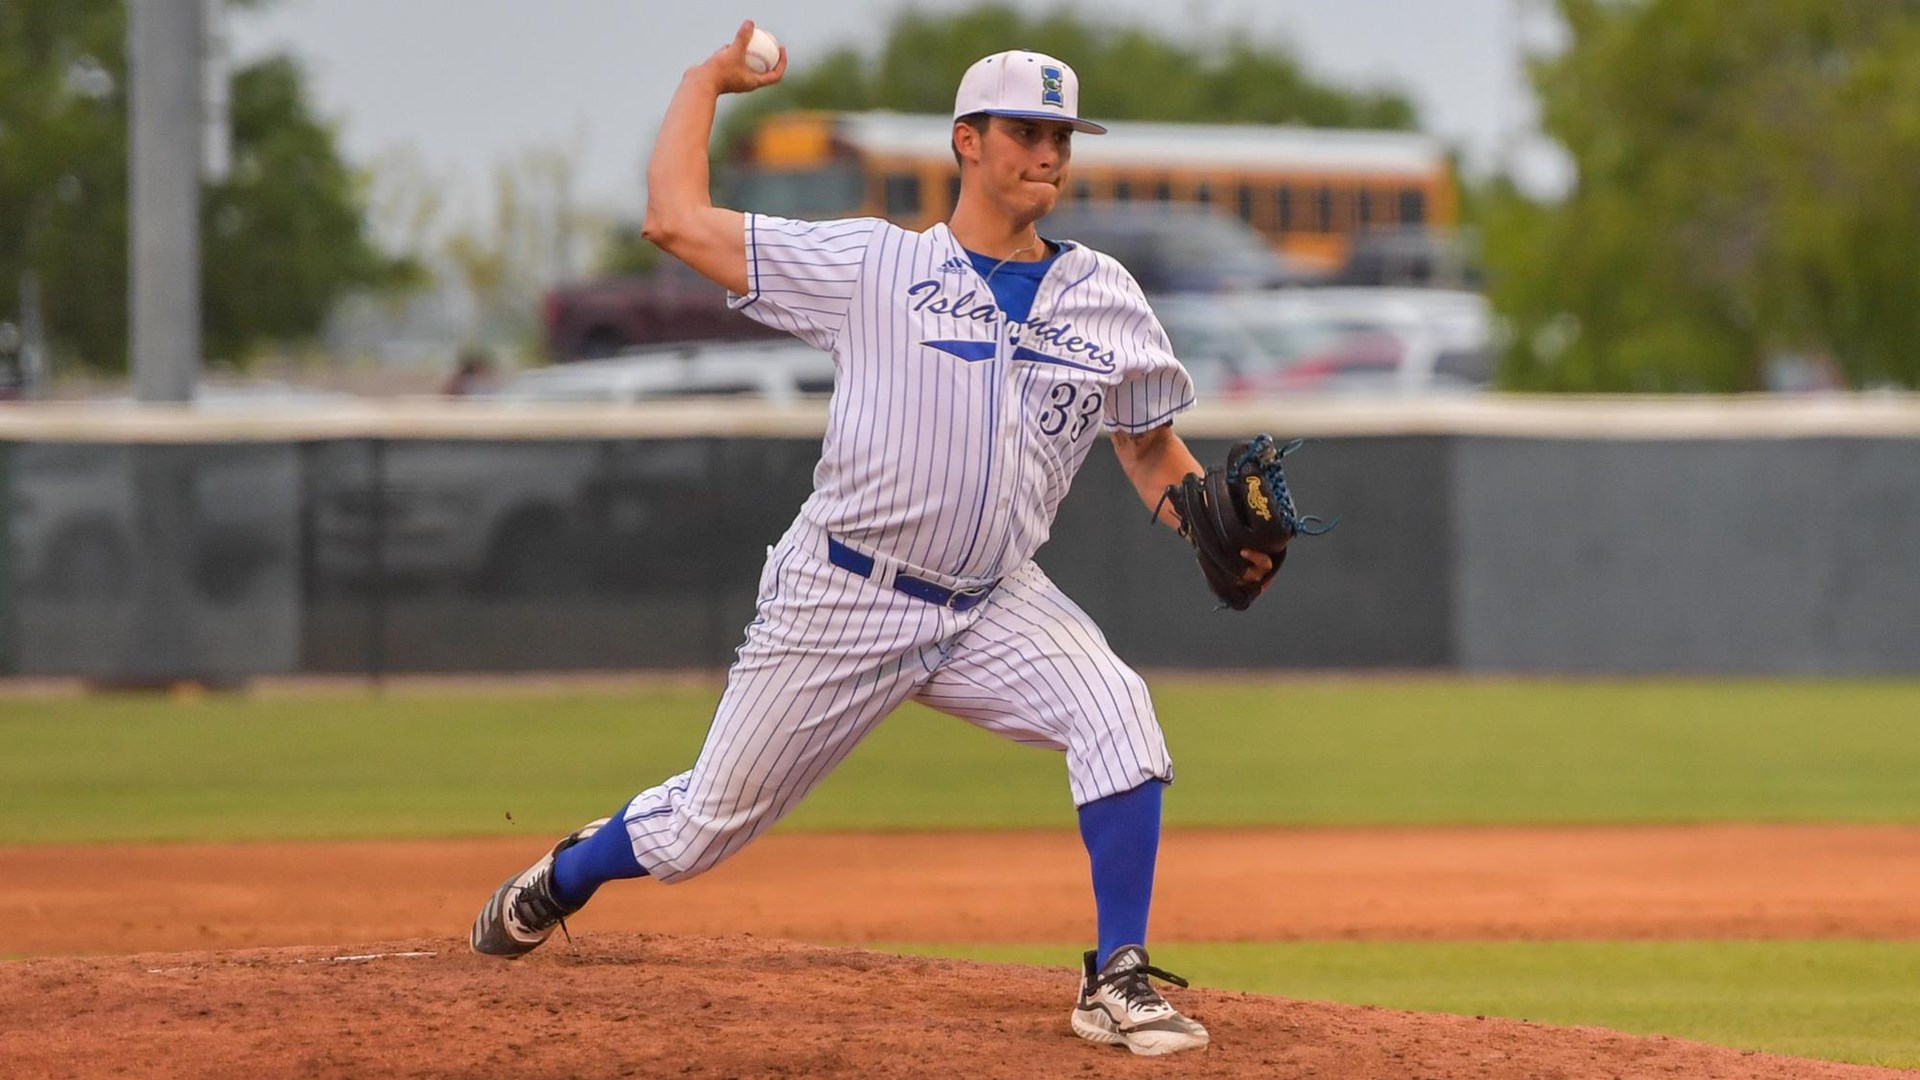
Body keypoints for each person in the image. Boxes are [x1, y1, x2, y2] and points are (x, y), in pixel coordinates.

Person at [469, 24, 1276, 1058]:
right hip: (846, 593)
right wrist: (702, 81)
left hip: (993, 598)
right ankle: (563, 876)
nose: (1050, 154)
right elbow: (673, 222)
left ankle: (1116, 976)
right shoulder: (872, 266)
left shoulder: (1106, 297)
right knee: (697, 830)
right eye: (1026, 131)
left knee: (1119, 713)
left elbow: (1151, 450)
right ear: (966, 144)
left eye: (1063, 135)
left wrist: (1213, 527)